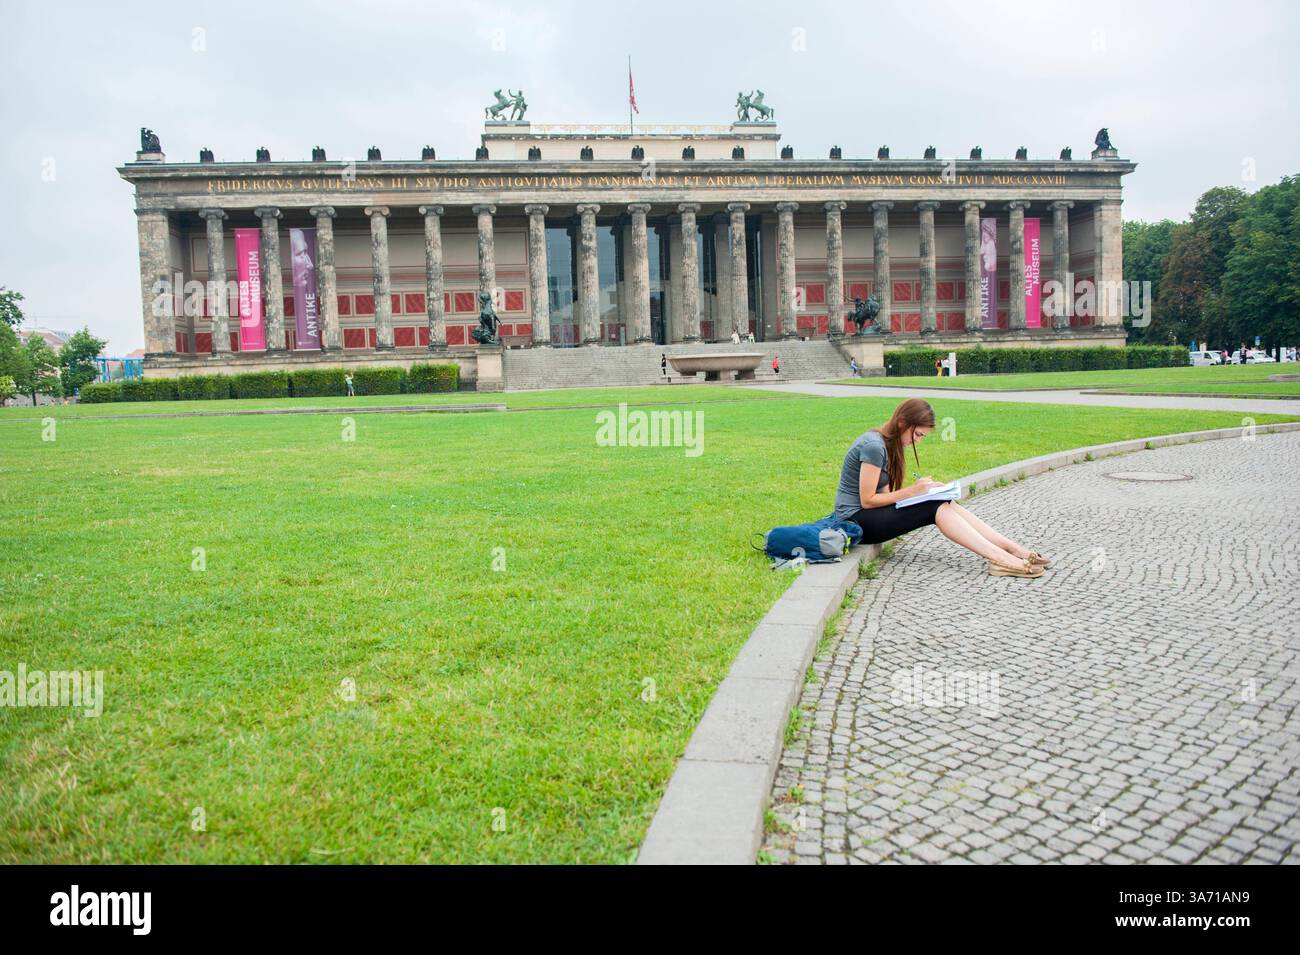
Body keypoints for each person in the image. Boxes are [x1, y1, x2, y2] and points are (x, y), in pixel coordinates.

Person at [833, 398, 1049, 578]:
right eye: (917, 434)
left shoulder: (889, 445)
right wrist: (913, 492)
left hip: (869, 517)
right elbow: (867, 500)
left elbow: (885, 496)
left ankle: (1011, 549)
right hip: (856, 521)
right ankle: (1001, 559)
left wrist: (925, 492)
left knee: (941, 500)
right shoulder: (873, 446)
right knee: (934, 507)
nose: (918, 441)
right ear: (902, 423)